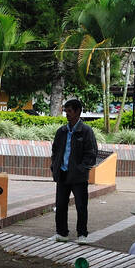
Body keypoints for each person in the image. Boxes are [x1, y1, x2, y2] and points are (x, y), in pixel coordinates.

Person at [51, 98, 98, 239]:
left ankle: (82, 234)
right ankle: (61, 233)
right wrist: (55, 166)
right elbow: (55, 150)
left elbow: (91, 153)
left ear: (78, 111)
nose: (67, 114)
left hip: (78, 176)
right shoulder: (62, 131)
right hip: (63, 173)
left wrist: (81, 168)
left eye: (70, 111)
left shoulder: (86, 131)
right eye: (66, 111)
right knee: (60, 205)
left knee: (81, 206)